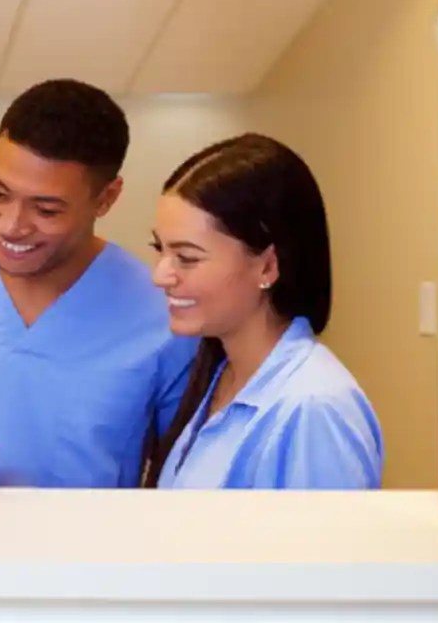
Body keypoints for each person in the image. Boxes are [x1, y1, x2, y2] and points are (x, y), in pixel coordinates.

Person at [0, 78, 196, 487]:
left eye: (46, 210)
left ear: (106, 199)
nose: (12, 225)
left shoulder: (165, 313)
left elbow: (176, 476)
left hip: (97, 548)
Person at [146, 134, 382, 489]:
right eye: (159, 249)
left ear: (268, 266)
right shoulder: (220, 377)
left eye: (187, 258)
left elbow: (326, 545)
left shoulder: (314, 409)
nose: (160, 275)